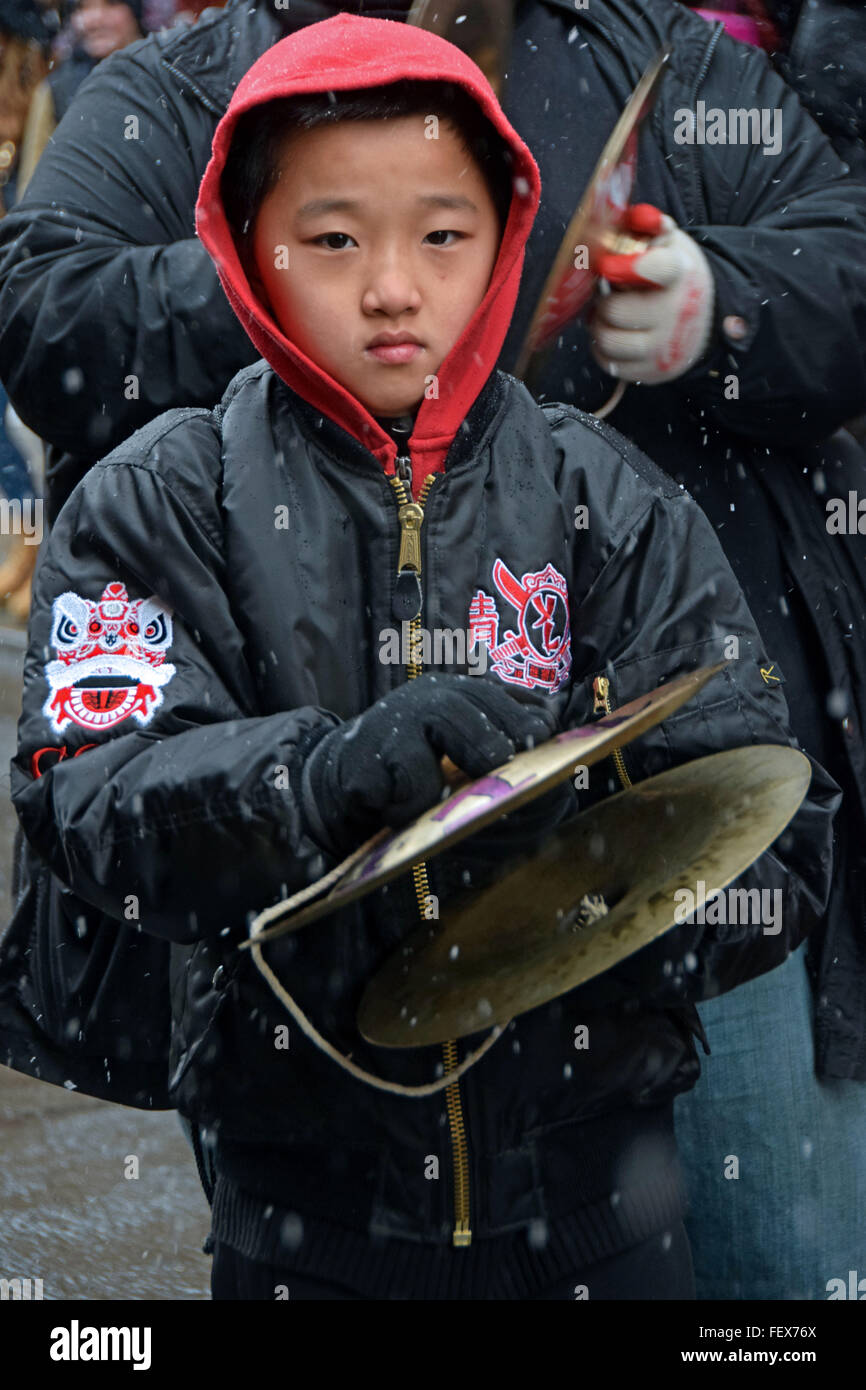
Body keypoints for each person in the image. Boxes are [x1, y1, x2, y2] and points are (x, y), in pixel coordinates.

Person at [0, 0, 863, 1299]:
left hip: (602, 1205)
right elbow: (92, 794)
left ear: (503, 241)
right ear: (243, 246)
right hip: (308, 1206)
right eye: (333, 237)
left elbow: (761, 817)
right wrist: (318, 777)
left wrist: (584, 886)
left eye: (445, 236)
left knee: (784, 1272)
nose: (395, 287)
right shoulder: (160, 496)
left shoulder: (605, 491)